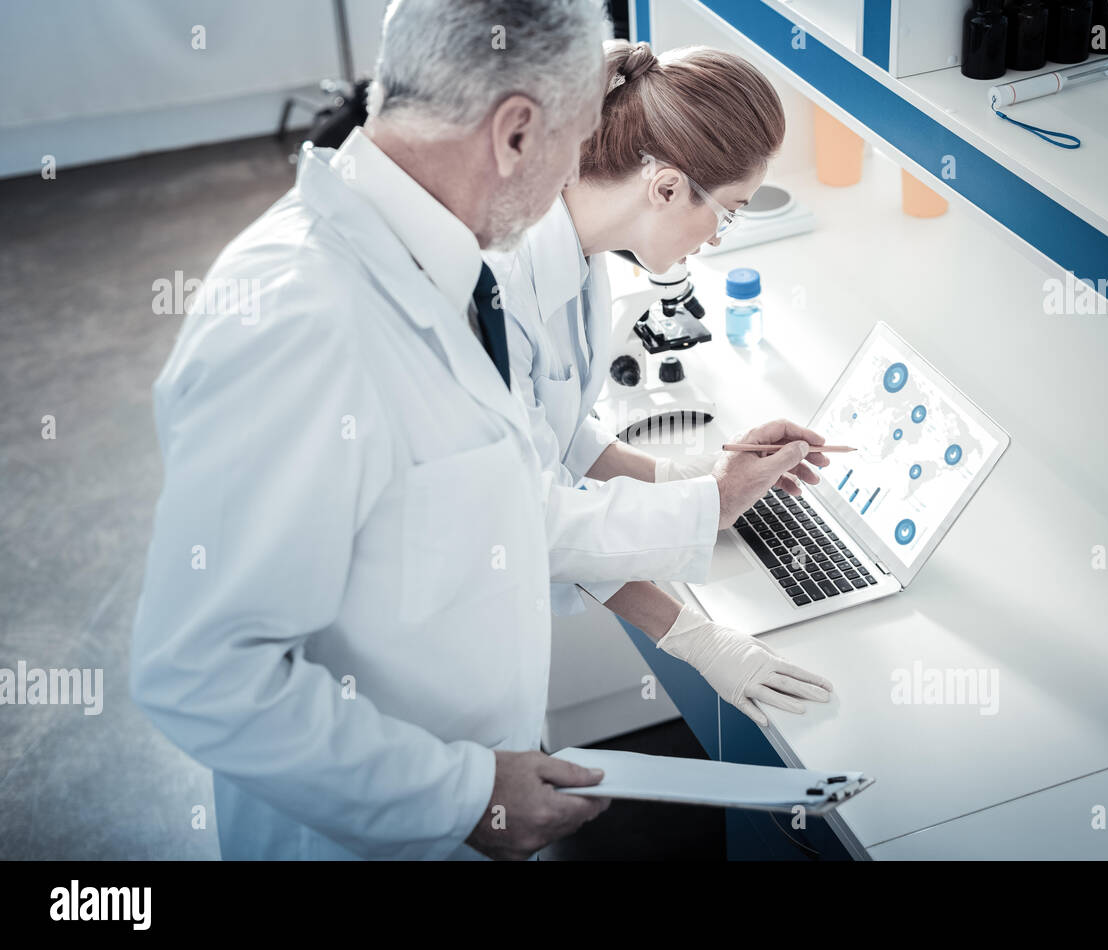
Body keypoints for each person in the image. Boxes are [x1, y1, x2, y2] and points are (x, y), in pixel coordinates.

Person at [130, 0, 820, 862]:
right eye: (579, 139)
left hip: (474, 775)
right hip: (371, 832)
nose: (583, 168)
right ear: (518, 134)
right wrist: (462, 794)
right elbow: (202, 674)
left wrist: (695, 495)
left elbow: (504, 491)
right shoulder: (298, 323)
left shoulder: (442, 268)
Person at [487, 41, 831, 727]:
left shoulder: (581, 254)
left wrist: (685, 475)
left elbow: (552, 431)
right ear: (667, 186)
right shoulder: (497, 280)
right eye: (728, 210)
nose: (718, 236)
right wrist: (710, 518)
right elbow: (530, 519)